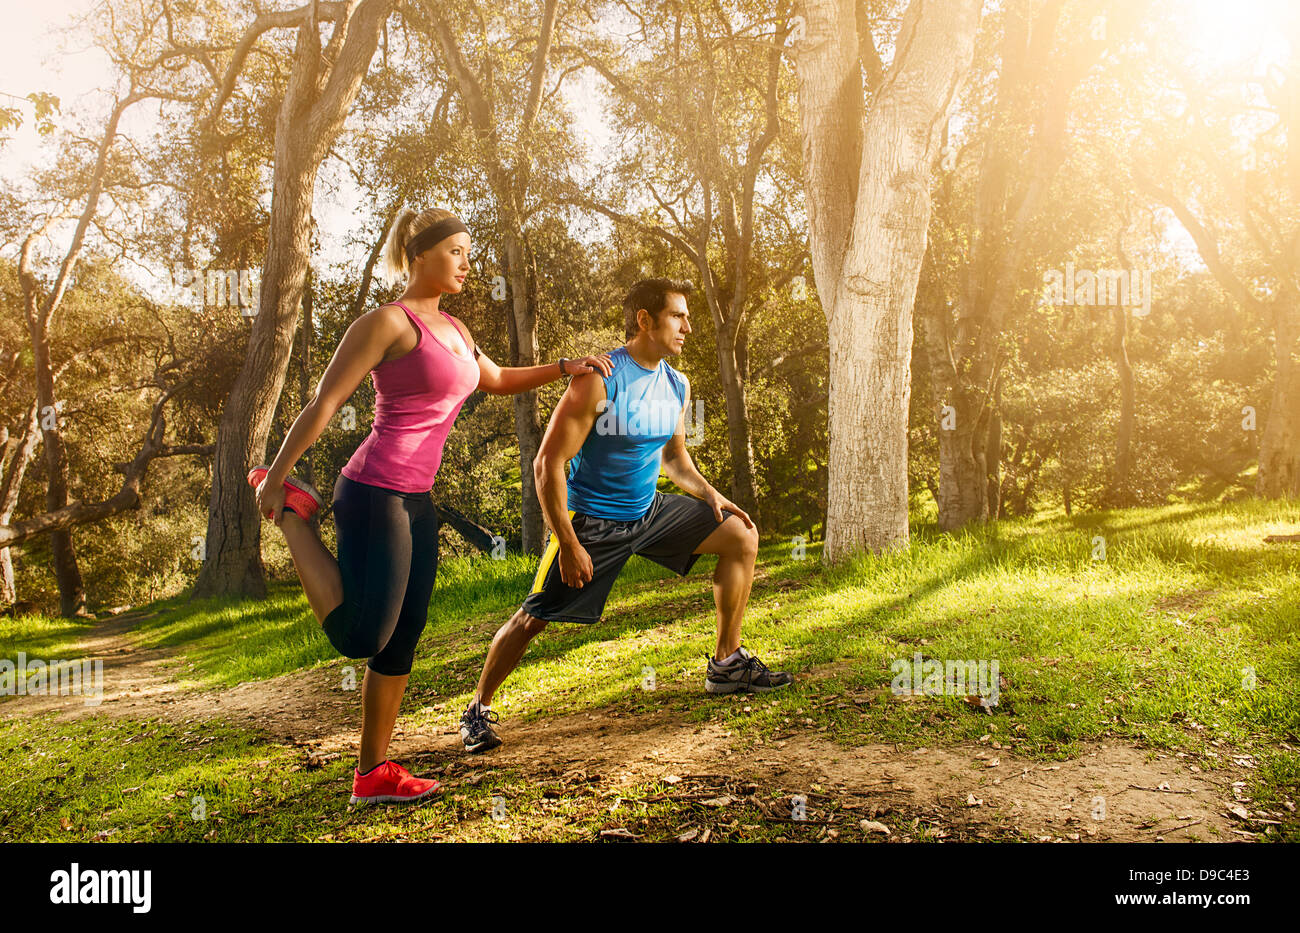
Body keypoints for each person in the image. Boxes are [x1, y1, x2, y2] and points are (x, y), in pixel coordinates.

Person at [248, 208, 613, 805]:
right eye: (456, 251)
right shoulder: (386, 323)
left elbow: (492, 378)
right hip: (373, 491)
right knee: (364, 634)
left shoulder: (458, 330)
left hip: (418, 499)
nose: (467, 263)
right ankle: (293, 514)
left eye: (469, 252)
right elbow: (323, 401)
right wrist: (277, 476)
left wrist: (562, 368)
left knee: (403, 637)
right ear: (420, 256)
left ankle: (372, 776)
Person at [458, 277, 792, 754]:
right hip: (592, 521)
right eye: (677, 316)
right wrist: (569, 542)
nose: (687, 327)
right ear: (645, 320)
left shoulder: (676, 383)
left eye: (686, 317)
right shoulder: (599, 377)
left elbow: (675, 460)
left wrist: (712, 495)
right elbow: (546, 464)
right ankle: (477, 709)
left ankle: (726, 663)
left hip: (650, 512)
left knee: (741, 535)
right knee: (534, 618)